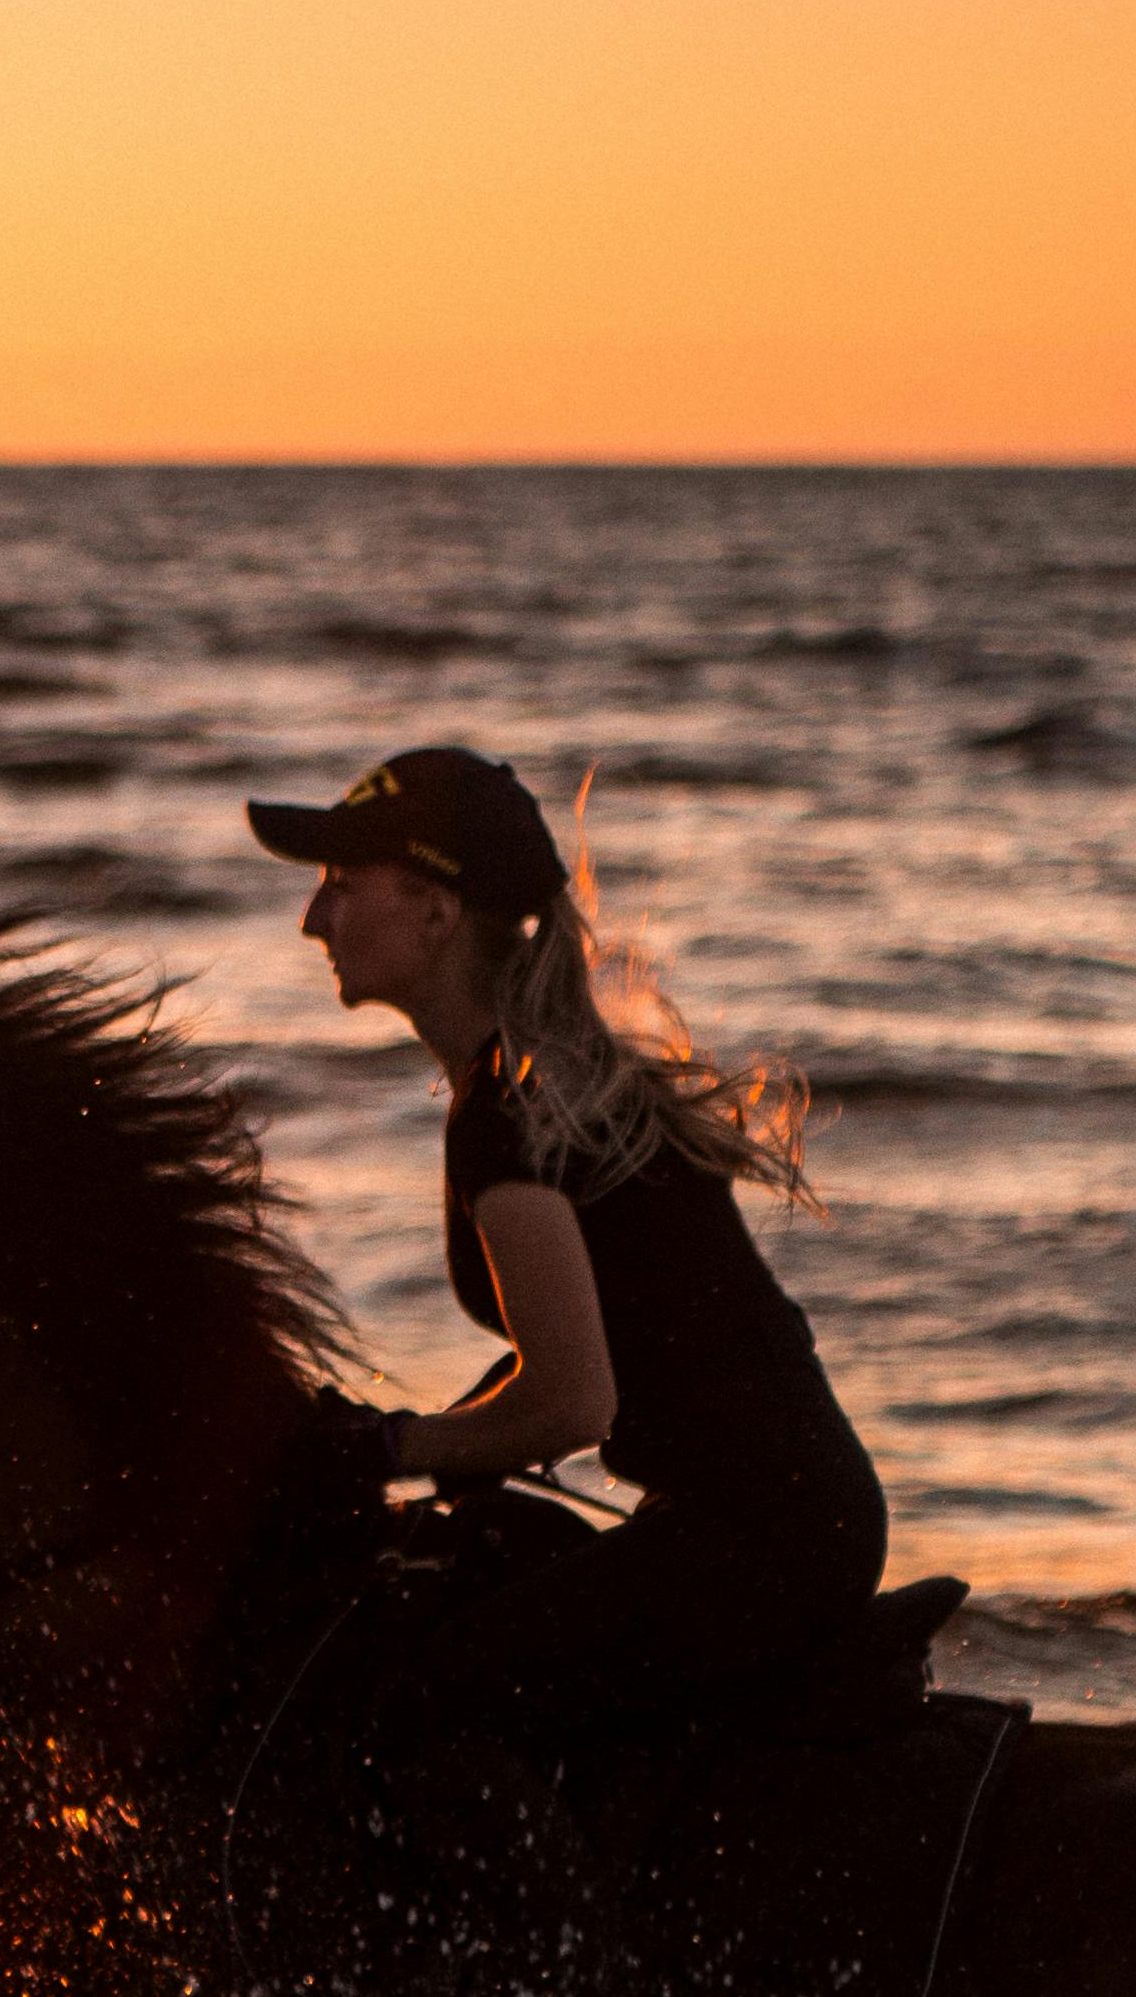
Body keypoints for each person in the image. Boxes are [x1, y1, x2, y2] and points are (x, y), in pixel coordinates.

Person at [246, 742, 887, 1744]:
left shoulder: (509, 1110)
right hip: (786, 1520)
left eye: (337, 884)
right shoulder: (540, 1084)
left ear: (432, 909)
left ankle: (550, 1914)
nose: (310, 919)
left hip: (758, 1541)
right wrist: (422, 1439)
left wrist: (380, 1447)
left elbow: (571, 1400)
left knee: (424, 1708)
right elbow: (611, 1331)